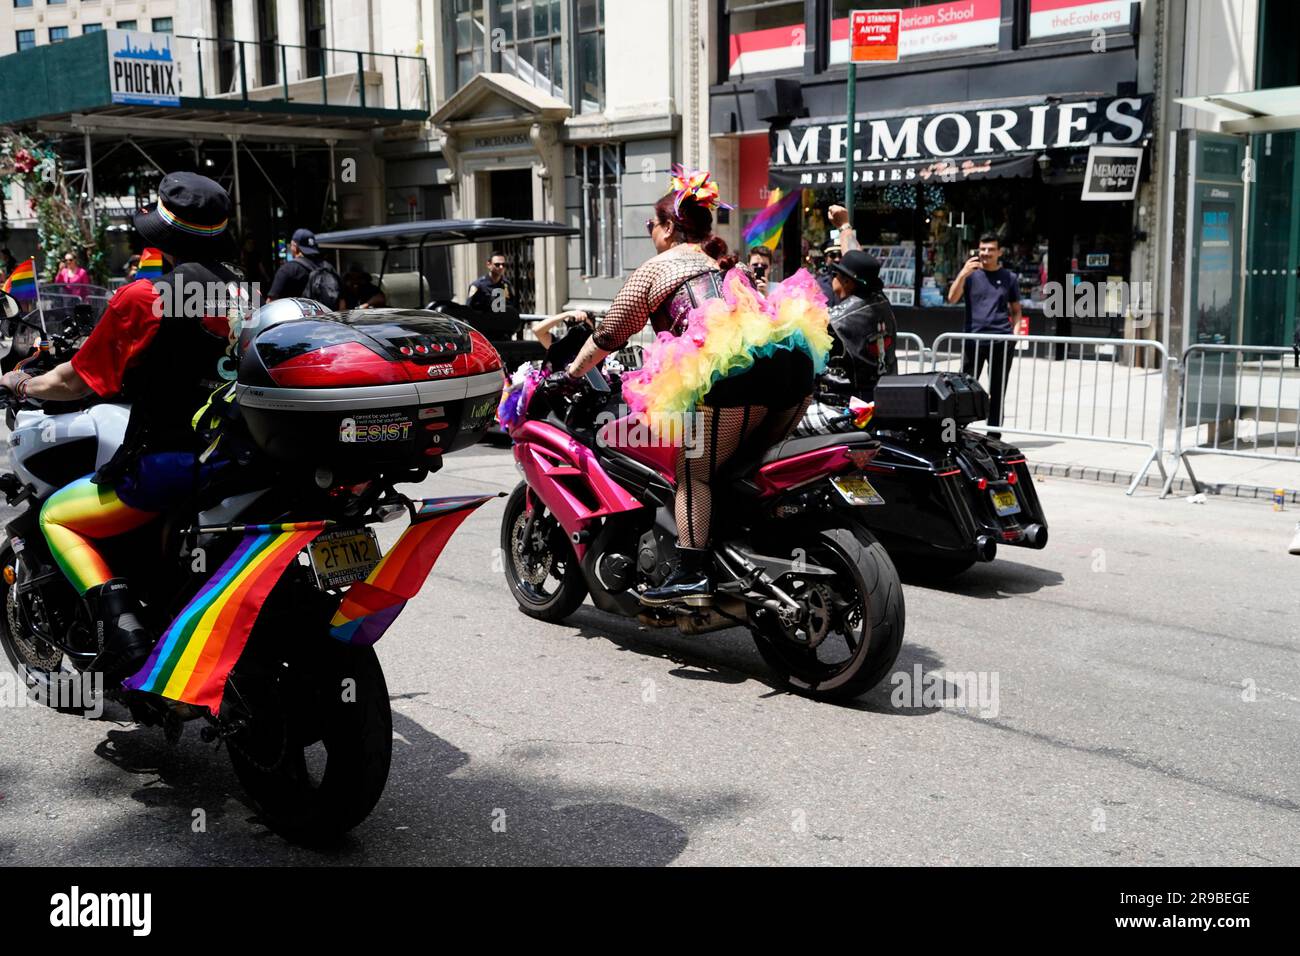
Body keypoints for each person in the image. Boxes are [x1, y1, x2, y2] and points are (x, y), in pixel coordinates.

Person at [546, 165, 828, 604]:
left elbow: (607, 337)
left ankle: (692, 572)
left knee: (692, 473)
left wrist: (568, 376)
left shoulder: (657, 268)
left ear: (669, 227)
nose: (649, 232)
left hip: (733, 374)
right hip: (791, 365)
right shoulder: (721, 261)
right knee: (740, 470)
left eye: (651, 224)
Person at [0, 172, 240, 685]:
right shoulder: (243, 295)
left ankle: (125, 633)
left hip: (173, 463)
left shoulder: (144, 297)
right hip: (237, 458)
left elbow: (73, 382)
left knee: (57, 519)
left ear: (162, 237)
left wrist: (22, 384)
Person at [947, 233, 1022, 438]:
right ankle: (957, 432)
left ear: (999, 252)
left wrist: (1014, 336)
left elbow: (1016, 310)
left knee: (997, 391)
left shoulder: (1009, 278)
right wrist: (963, 273)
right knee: (963, 389)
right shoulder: (970, 275)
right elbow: (952, 298)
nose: (986, 253)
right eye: (982, 249)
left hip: (1001, 341)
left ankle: (993, 436)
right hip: (974, 340)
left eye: (990, 249)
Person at [824, 249, 897, 401]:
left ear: (847, 282)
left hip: (853, 404)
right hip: (886, 395)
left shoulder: (841, 317)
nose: (833, 279)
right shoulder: (883, 302)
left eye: (835, 275)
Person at [267, 228, 340, 308]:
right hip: (326, 319)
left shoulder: (287, 269)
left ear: (295, 247)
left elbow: (271, 304)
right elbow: (342, 303)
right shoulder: (328, 268)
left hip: (297, 319)